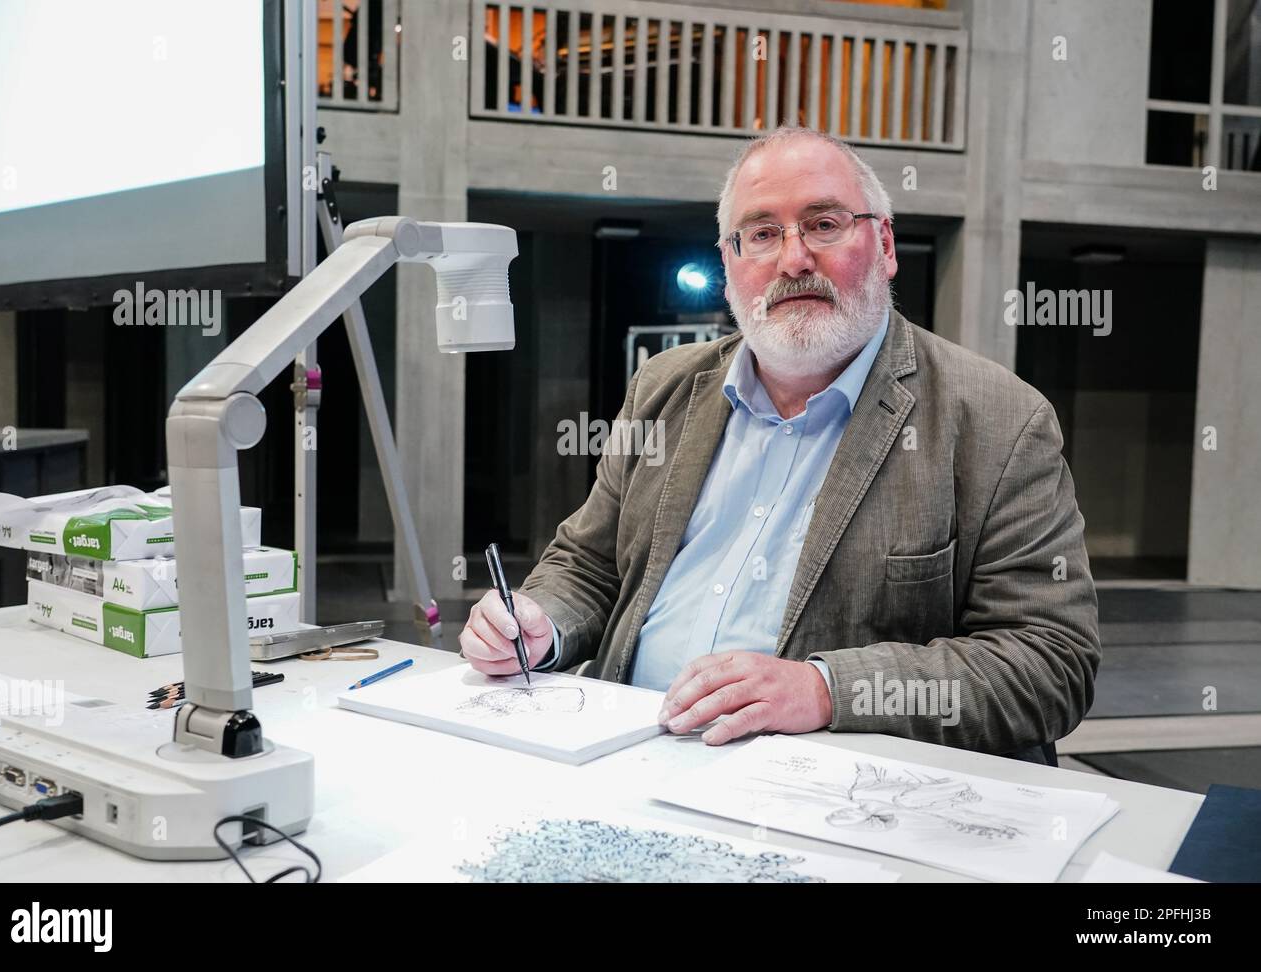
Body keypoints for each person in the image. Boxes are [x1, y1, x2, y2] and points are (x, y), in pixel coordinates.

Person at [460, 126, 1100, 764]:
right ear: (730, 262)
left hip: (828, 792)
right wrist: (540, 623)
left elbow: (1048, 663)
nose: (793, 260)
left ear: (883, 245)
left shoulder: (998, 420)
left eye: (823, 224)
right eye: (762, 234)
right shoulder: (663, 388)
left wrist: (824, 690)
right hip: (623, 754)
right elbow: (591, 565)